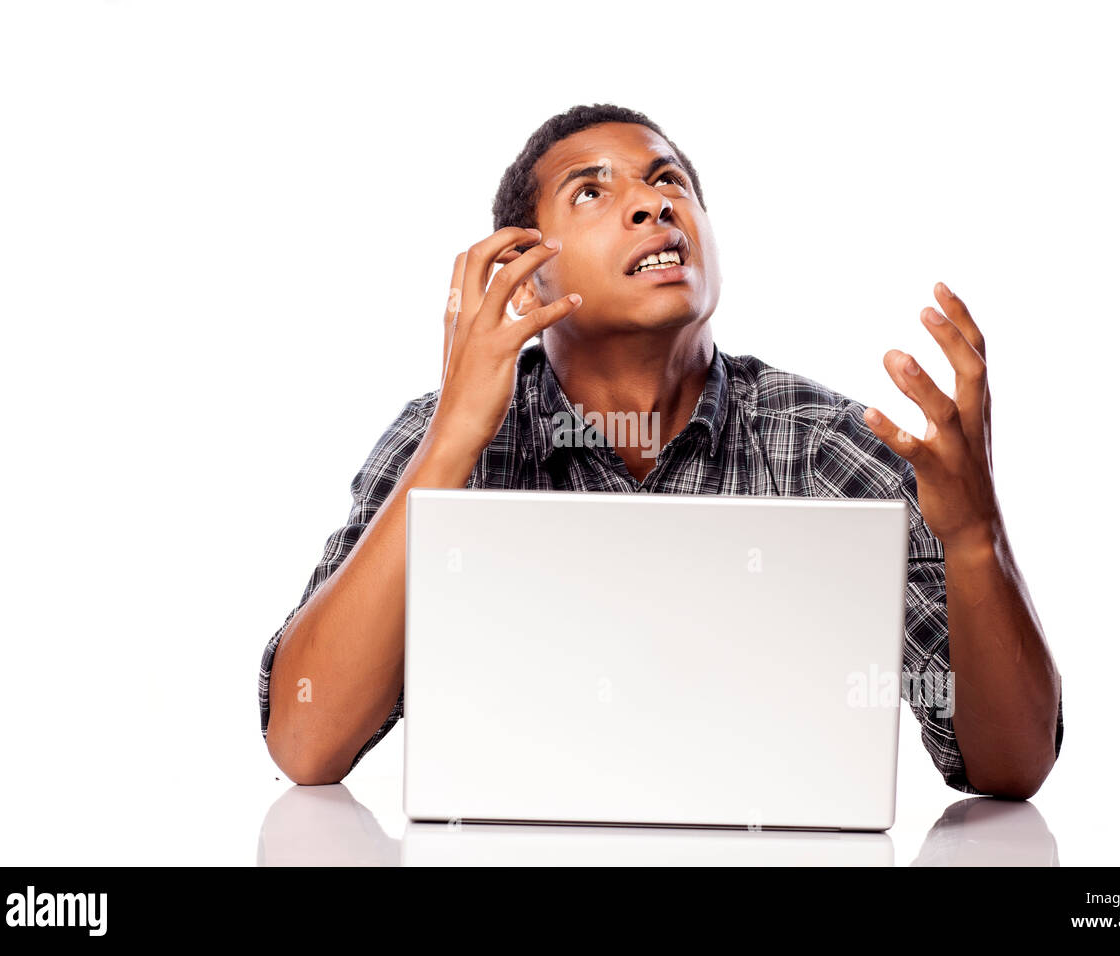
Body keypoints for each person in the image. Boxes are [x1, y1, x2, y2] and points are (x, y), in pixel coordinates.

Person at [258, 103, 1064, 798]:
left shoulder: (827, 446)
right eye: (593, 191)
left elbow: (1010, 767)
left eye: (669, 181)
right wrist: (451, 445)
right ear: (524, 272)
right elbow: (305, 740)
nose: (651, 206)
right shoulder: (441, 438)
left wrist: (972, 542)